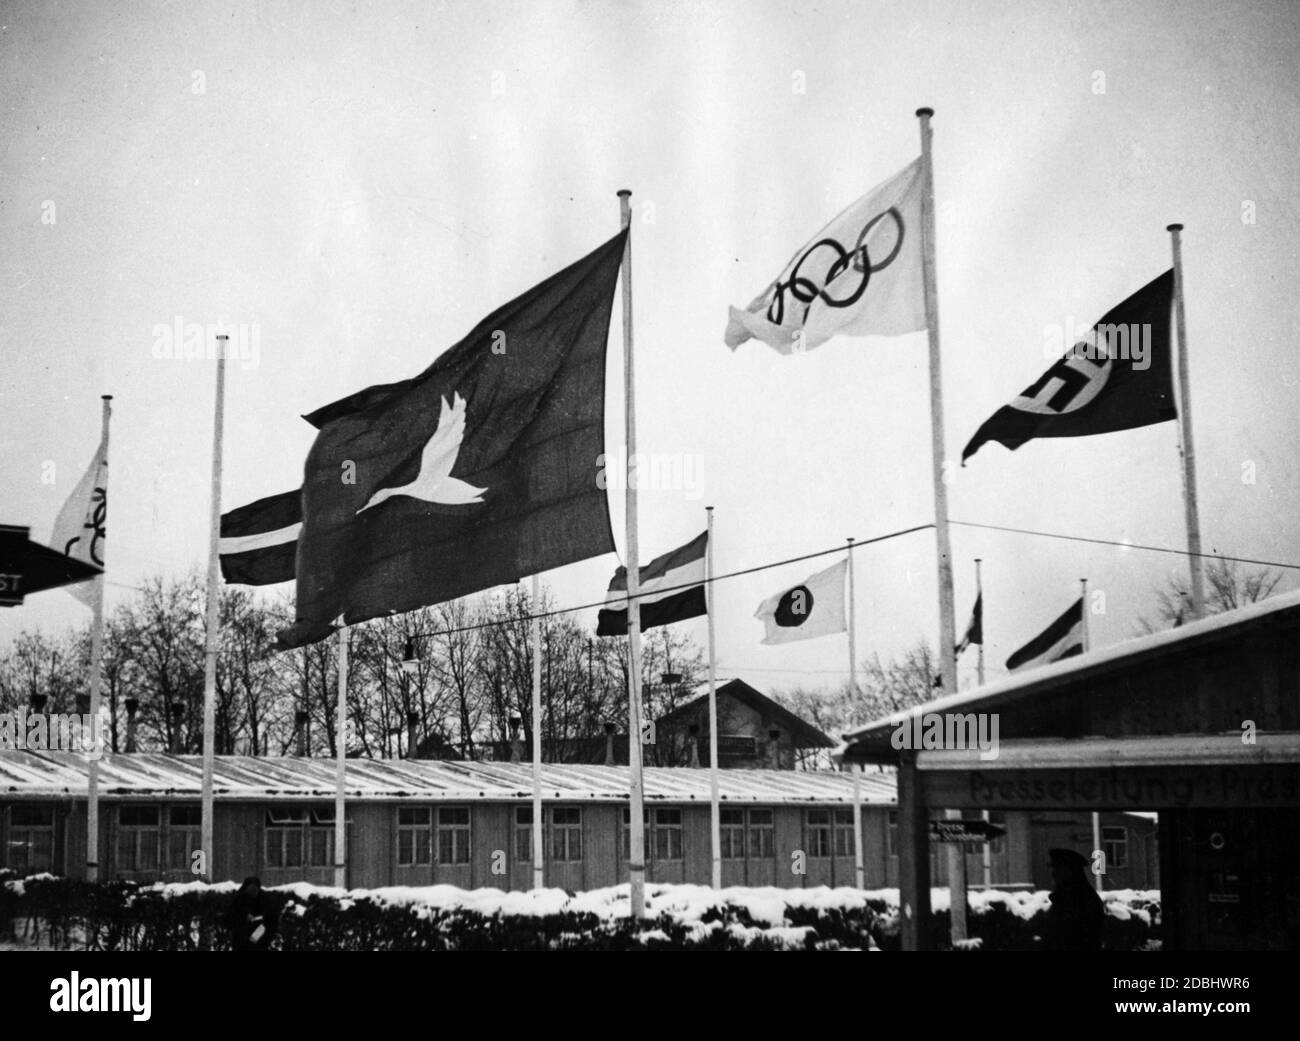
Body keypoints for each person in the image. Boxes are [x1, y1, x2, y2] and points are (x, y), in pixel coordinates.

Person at [1044, 847, 1105, 951]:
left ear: (1070, 871)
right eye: (1053, 868)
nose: (1053, 874)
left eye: (1057, 868)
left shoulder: (1083, 900)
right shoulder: (1063, 898)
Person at [224, 876, 279, 951]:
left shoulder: (264, 899)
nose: (253, 893)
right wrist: (244, 916)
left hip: (259, 940)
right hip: (242, 942)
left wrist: (264, 928)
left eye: (255, 890)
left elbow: (272, 920)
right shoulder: (239, 899)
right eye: (251, 890)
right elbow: (229, 918)